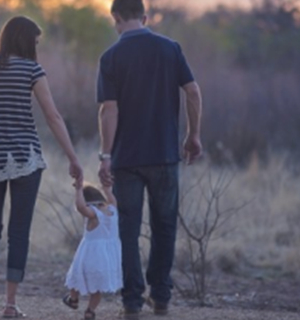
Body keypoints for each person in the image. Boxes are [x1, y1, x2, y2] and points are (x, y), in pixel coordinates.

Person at [0, 16, 83, 318]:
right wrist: (73, 157)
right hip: (25, 158)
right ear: (26, 41)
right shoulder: (32, 70)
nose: (37, 48)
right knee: (19, 232)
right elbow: (53, 117)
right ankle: (10, 304)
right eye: (36, 42)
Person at [96, 0, 203, 319]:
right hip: (165, 155)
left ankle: (131, 301)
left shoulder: (111, 57)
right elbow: (193, 92)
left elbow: (108, 110)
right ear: (144, 17)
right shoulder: (171, 49)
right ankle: (161, 296)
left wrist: (105, 155)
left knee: (127, 229)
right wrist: (193, 135)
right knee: (165, 226)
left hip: (126, 159)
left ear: (115, 17)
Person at [62, 181, 123, 320]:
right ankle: (90, 310)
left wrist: (78, 190)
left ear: (88, 202)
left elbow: (80, 207)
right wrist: (107, 189)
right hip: (108, 258)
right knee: (97, 287)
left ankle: (73, 299)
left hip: (91, 255)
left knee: (76, 276)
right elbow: (112, 199)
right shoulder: (113, 210)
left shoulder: (93, 214)